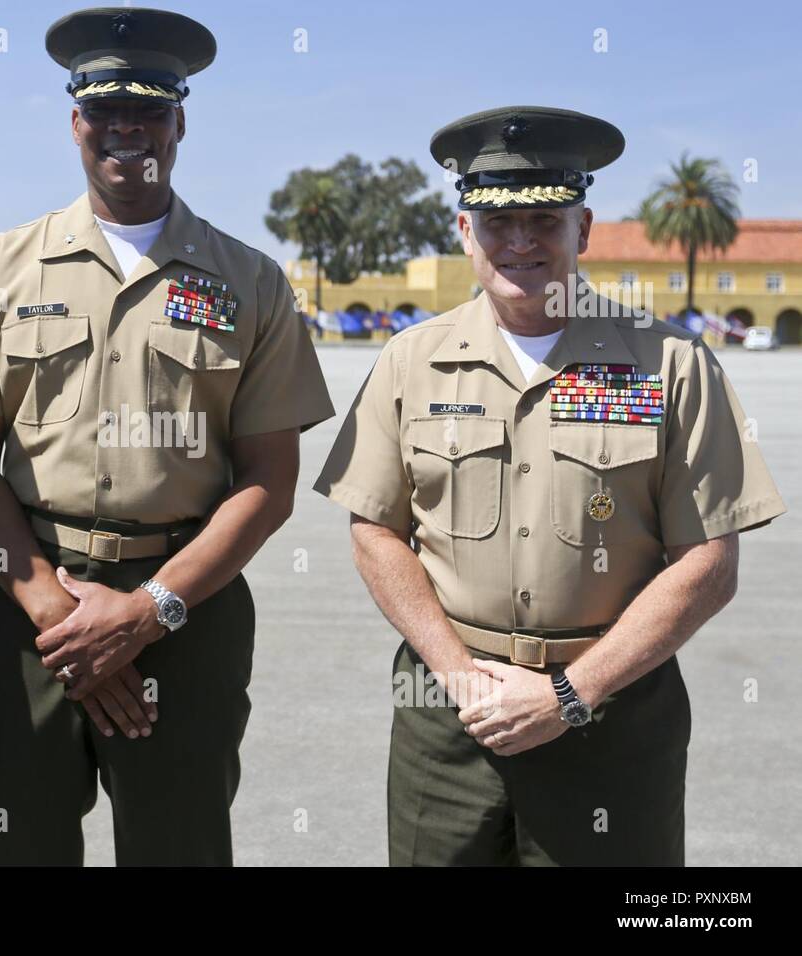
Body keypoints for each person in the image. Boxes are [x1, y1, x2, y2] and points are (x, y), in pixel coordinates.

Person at [314, 106, 786, 865]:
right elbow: (375, 531)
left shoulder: (669, 364)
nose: (521, 242)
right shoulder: (411, 362)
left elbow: (707, 561)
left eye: (544, 218)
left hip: (613, 717)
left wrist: (572, 693)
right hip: (450, 717)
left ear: (585, 229)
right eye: (498, 222)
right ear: (465, 231)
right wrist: (457, 675)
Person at [0, 6, 334, 865]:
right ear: (75, 121)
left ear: (180, 123)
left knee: (178, 847)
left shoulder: (249, 282)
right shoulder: (2, 268)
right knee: (18, 847)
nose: (128, 130)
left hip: (188, 610)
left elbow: (268, 480)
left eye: (149, 110)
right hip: (27, 609)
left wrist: (148, 613)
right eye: (106, 111)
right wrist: (57, 610)